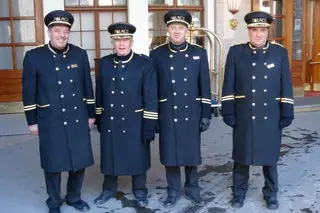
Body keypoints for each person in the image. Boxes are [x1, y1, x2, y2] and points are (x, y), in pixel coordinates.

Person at [22, 10, 95, 213]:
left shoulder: (79, 54)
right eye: (57, 31)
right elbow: (28, 92)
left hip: (77, 116)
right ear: (49, 32)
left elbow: (87, 87)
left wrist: (91, 115)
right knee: (53, 163)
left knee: (78, 160)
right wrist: (32, 121)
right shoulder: (34, 57)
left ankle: (74, 197)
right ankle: (54, 202)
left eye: (65, 31)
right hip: (50, 119)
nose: (62, 35)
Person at [221, 11, 294, 210]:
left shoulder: (280, 53)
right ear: (249, 31)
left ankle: (271, 194)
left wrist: (287, 110)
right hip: (244, 114)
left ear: (268, 31)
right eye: (254, 30)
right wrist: (228, 109)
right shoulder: (236, 52)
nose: (258, 34)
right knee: (241, 158)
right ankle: (238, 193)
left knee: (270, 159)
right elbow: (228, 83)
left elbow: (285, 83)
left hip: (270, 115)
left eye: (262, 30)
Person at [149, 9, 211, 208]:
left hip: (191, 112)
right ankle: (173, 190)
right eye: (173, 27)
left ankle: (193, 188)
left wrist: (206, 113)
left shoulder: (198, 53)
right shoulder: (157, 54)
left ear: (187, 30)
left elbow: (205, 86)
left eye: (181, 28)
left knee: (191, 153)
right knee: (170, 154)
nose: (177, 31)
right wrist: (155, 117)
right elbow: (153, 89)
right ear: (168, 29)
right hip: (168, 113)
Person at [94, 22, 158, 208]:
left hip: (135, 121)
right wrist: (99, 117)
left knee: (137, 156)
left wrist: (149, 125)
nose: (121, 43)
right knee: (110, 156)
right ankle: (108, 189)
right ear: (113, 42)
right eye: (117, 40)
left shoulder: (144, 64)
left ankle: (140, 190)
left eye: (125, 39)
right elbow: (100, 93)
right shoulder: (105, 64)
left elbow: (150, 96)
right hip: (111, 120)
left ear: (131, 41)